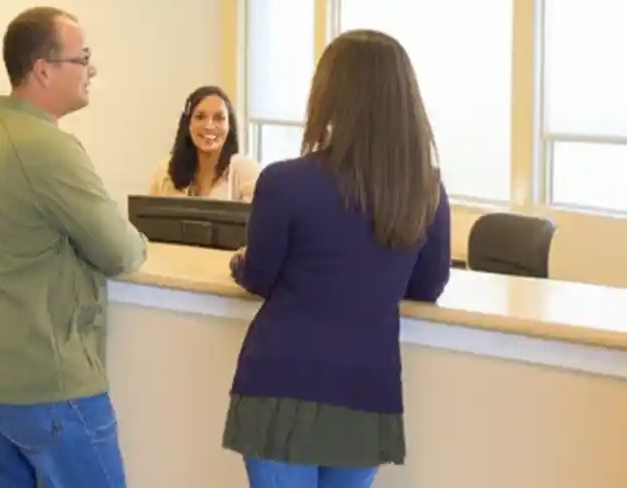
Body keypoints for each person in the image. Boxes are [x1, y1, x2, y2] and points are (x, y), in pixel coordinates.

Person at [223, 30, 451, 488]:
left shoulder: (286, 182)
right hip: (367, 388)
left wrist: (239, 263)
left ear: (329, 96)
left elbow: (261, 275)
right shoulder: (424, 190)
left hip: (282, 384)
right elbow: (427, 286)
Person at [0, 6, 149, 488]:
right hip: (46, 382)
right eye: (82, 58)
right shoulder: (47, 147)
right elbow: (122, 251)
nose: (92, 70)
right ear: (43, 69)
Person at [149, 85, 260, 202]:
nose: (209, 126)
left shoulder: (246, 172)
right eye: (200, 117)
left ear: (229, 126)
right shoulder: (163, 172)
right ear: (188, 124)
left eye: (219, 118)